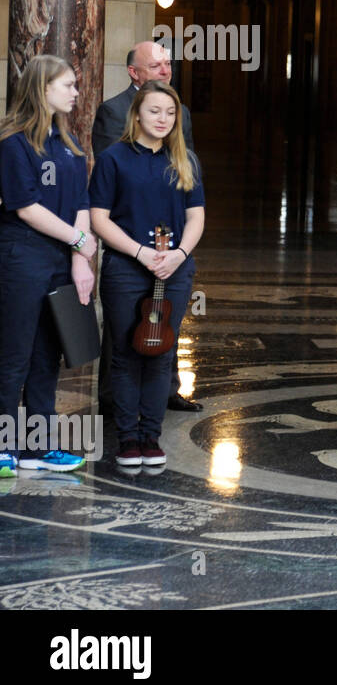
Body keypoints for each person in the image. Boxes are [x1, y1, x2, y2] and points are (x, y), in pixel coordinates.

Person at [90, 81, 204, 468]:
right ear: (137, 113)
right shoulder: (113, 158)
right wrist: (139, 251)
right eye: (155, 111)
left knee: (161, 351)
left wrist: (180, 253)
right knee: (125, 353)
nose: (163, 119)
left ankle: (150, 437)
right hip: (125, 269)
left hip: (174, 269)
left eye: (171, 113)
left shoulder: (185, 159)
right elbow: (99, 218)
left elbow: (196, 216)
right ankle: (126, 439)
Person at [0, 55, 96, 475]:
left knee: (46, 357)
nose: (76, 91)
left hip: (60, 262)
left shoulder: (71, 147)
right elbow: (24, 206)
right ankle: (4, 448)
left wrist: (81, 261)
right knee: (14, 354)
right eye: (68, 84)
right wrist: (78, 239)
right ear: (42, 89)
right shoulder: (13, 142)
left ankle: (36, 449)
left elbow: (80, 204)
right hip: (21, 257)